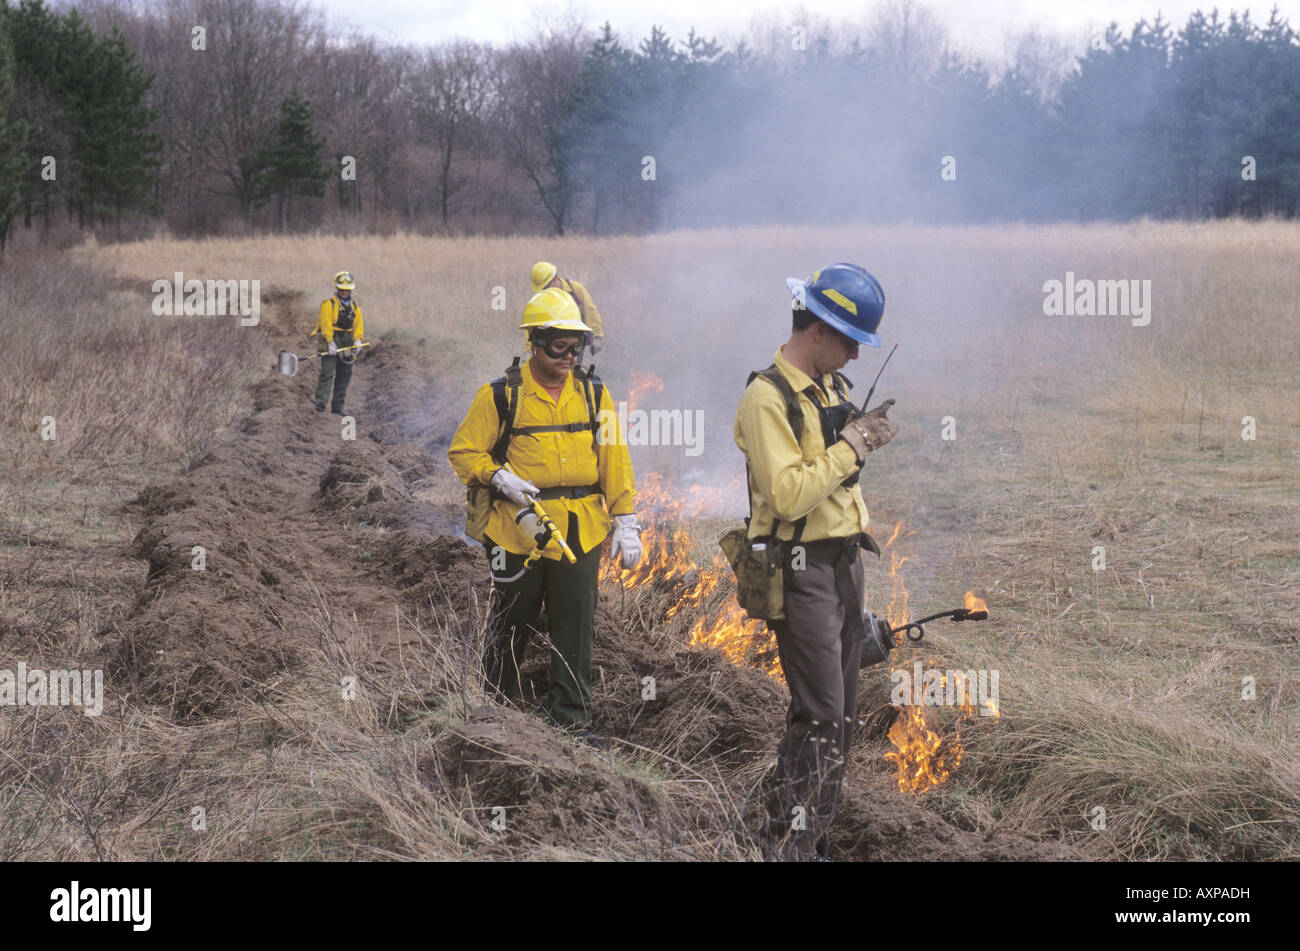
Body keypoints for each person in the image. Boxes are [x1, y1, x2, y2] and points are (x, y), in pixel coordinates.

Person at [734, 262, 898, 861]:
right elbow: (787, 495)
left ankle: (806, 834)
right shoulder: (765, 398)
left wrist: (852, 438)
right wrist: (849, 447)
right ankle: (786, 845)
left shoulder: (833, 390)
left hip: (844, 564)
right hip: (799, 570)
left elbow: (835, 485)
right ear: (819, 331)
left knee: (843, 716)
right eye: (851, 341)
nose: (856, 356)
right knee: (821, 714)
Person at [449, 287, 640, 744]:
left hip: (582, 529)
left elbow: (615, 458)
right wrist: (496, 478)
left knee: (575, 623)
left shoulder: (595, 395)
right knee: (513, 617)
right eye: (559, 346)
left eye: (577, 346)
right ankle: (496, 711)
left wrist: (627, 520)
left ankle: (570, 718)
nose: (570, 355)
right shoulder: (500, 396)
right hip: (519, 529)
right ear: (534, 342)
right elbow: (463, 452)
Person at [310, 271, 366, 414]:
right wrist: (330, 342)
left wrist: (358, 339)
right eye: (342, 290)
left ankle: (338, 407)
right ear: (337, 289)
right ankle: (320, 402)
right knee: (327, 372)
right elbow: (326, 324)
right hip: (332, 338)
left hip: (348, 340)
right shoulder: (328, 305)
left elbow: (358, 324)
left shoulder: (355, 307)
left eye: (347, 290)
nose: (344, 293)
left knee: (344, 374)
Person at [529, 261, 604, 353]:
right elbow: (533, 324)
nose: (545, 291)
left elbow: (590, 312)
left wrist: (597, 337)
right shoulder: (542, 298)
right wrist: (529, 350)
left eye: (545, 288)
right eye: (543, 289)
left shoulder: (576, 289)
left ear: (554, 280)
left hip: (576, 338)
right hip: (552, 340)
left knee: (571, 364)